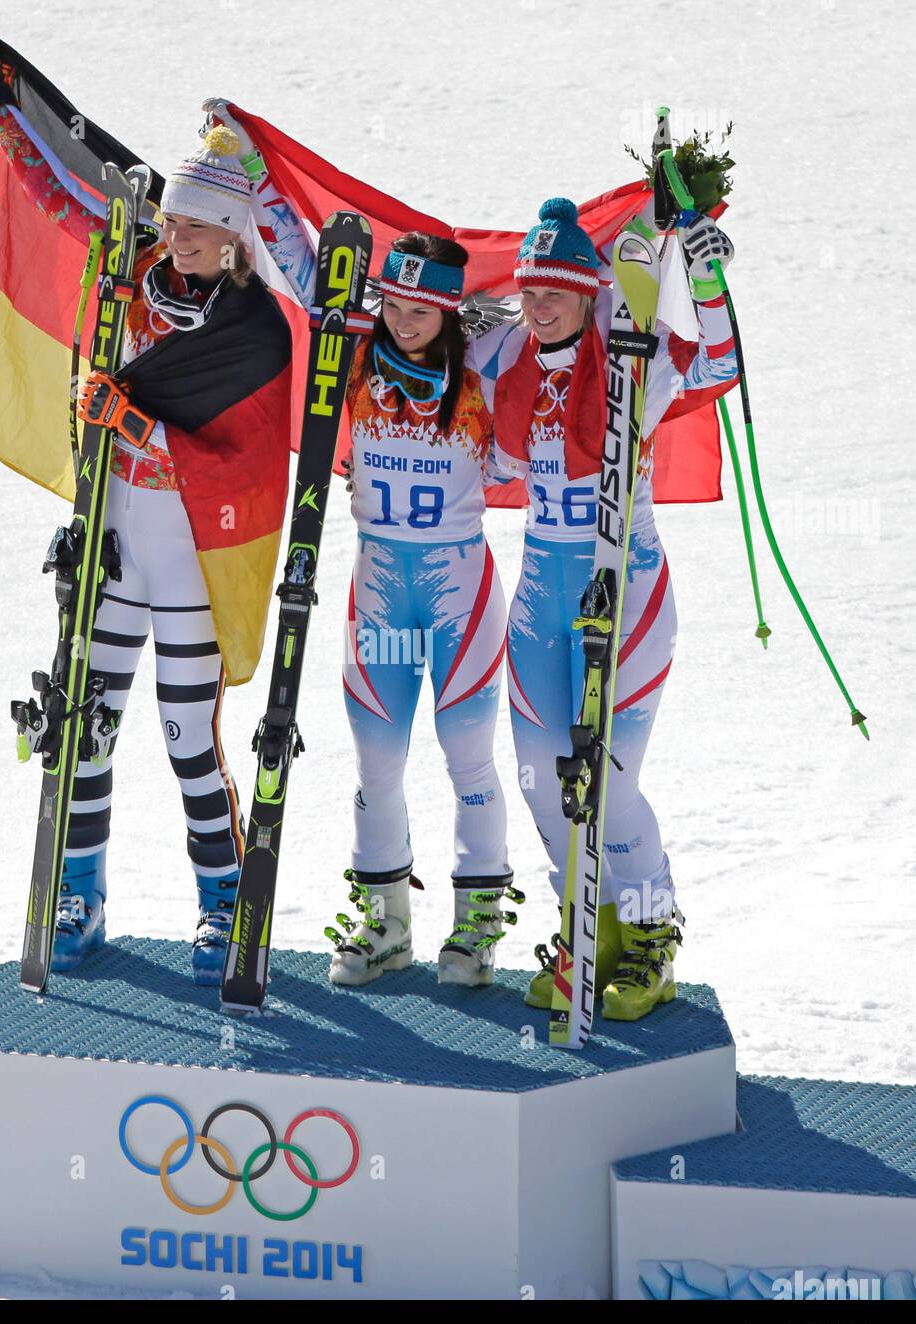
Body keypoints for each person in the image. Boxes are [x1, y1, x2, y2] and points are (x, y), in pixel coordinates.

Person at [202, 101, 522, 987]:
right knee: (377, 757)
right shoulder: (353, 344)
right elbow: (301, 258)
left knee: (467, 755)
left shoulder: (485, 358)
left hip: (459, 588)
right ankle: (385, 923)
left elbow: (566, 305)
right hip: (380, 581)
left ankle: (479, 925)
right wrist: (250, 163)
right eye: (394, 302)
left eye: (422, 308)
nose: (404, 319)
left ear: (449, 310)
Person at [0, 102, 293, 983]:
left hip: (192, 555)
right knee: (87, 725)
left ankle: (223, 906)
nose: (181, 235)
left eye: (200, 225)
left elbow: (246, 460)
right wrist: (11, 125)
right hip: (118, 542)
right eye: (176, 220)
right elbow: (73, 202)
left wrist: (136, 423)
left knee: (189, 736)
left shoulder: (254, 327)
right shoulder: (133, 271)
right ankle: (79, 893)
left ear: (236, 235)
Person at [473, 197, 738, 1020]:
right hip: (541, 600)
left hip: (628, 596)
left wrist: (706, 278)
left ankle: (653, 937)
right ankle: (587, 931)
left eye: (555, 290)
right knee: (540, 781)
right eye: (530, 292)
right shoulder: (506, 355)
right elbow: (415, 328)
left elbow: (721, 367)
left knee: (611, 787)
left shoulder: (635, 358)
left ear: (590, 293)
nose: (539, 304)